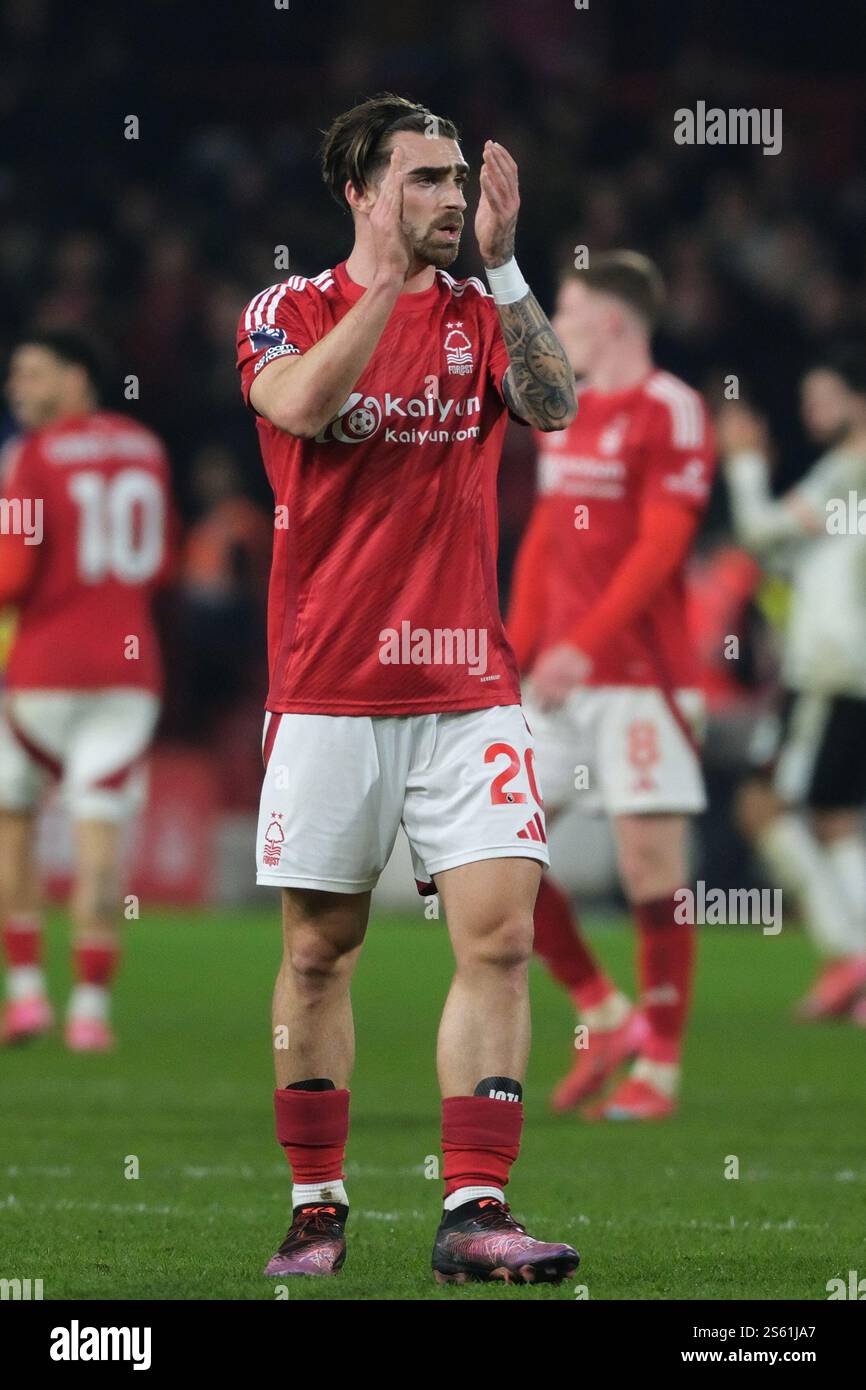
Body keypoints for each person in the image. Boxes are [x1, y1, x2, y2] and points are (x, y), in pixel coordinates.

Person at [236, 93, 580, 1284]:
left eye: (457, 181)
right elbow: (295, 404)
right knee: (322, 951)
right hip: (329, 688)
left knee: (497, 935)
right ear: (362, 190)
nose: (449, 200)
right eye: (424, 180)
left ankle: (475, 1208)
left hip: (466, 688)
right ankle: (316, 1206)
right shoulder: (292, 307)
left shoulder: (484, 315)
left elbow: (555, 405)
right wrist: (384, 284)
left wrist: (508, 266)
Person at [508, 253, 715, 1120]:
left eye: (572, 309)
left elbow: (661, 550)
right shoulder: (569, 409)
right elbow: (549, 540)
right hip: (557, 677)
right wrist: (513, 652)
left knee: (646, 868)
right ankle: (603, 1008)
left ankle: (658, 1068)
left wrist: (584, 645)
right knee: (495, 853)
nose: (559, 323)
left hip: (640, 676)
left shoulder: (672, 409)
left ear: (617, 322)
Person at [0, 331, 174, 1050]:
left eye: (30, 373)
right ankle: (91, 1014)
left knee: (13, 823)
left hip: (40, 675)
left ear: (76, 378)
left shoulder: (31, 455)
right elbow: (159, 561)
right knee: (99, 841)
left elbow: (13, 575)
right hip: (128, 678)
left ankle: (29, 996)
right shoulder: (147, 449)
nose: (16, 386)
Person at [719, 349, 866, 1024]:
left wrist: (745, 462)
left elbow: (760, 535)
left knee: (762, 803)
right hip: (836, 671)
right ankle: (853, 964)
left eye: (825, 397)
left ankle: (850, 953)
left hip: (832, 673)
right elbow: (787, 551)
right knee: (835, 820)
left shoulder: (852, 472)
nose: (812, 412)